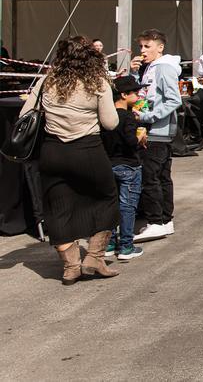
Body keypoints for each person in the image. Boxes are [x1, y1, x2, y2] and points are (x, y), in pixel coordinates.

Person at [24, 36, 121, 284]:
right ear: (91, 57)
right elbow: (110, 123)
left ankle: (71, 267)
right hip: (88, 150)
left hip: (53, 152)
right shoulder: (98, 82)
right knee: (107, 198)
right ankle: (94, 258)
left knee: (58, 208)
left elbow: (26, 113)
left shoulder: (48, 81)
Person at [130, 29, 182, 243]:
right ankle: (164, 220)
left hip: (157, 131)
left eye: (147, 46)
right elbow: (142, 93)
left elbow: (174, 99)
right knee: (161, 177)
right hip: (154, 129)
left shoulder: (164, 68)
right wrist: (134, 74)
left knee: (150, 177)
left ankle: (156, 222)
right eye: (141, 46)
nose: (142, 51)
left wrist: (149, 116)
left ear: (160, 47)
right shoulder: (149, 68)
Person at [102, 75, 148, 262]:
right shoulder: (128, 117)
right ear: (123, 94)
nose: (138, 95)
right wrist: (141, 137)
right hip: (129, 165)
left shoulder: (105, 117)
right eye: (135, 92)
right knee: (127, 207)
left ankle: (110, 243)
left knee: (111, 206)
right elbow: (131, 142)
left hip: (108, 164)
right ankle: (126, 246)